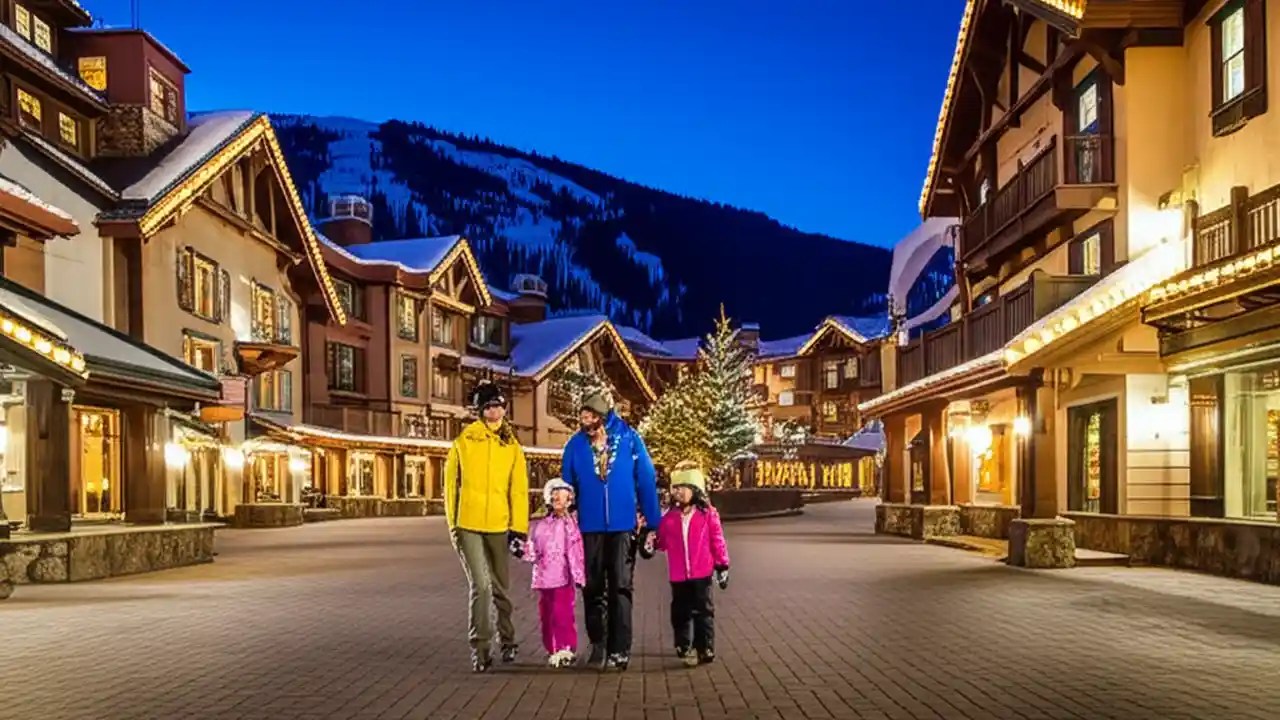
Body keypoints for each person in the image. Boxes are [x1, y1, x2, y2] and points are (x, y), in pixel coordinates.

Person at [561, 390, 661, 671]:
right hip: (588, 527)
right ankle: (599, 644)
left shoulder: (629, 440)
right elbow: (566, 485)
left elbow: (646, 479)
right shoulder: (575, 445)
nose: (585, 421)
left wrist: (652, 523)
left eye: (590, 416)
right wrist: (563, 515)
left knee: (620, 587)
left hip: (621, 526)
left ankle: (620, 648)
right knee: (592, 587)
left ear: (603, 416)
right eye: (582, 416)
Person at [444, 380, 530, 672]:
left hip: (498, 524)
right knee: (480, 585)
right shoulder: (464, 442)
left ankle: (508, 641)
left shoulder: (512, 447)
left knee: (501, 588)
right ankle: (480, 647)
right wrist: (453, 525)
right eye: (490, 406)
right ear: (481, 410)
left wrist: (519, 528)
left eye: (500, 406)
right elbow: (450, 488)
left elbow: (518, 489)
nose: (496, 411)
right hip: (467, 524)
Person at [652, 461, 730, 667]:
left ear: (695, 490)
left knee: (703, 611)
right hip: (678, 575)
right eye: (675, 488)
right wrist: (650, 542)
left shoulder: (708, 515)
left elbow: (717, 540)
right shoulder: (669, 518)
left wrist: (722, 565)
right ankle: (683, 644)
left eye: (682, 488)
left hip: (701, 572)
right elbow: (661, 542)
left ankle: (705, 646)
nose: (677, 493)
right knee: (680, 611)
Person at [521, 478, 586, 668]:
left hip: (565, 578)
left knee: (563, 613)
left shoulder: (573, 523)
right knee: (547, 615)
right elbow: (533, 551)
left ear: (570, 498)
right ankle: (552, 648)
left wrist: (579, 574)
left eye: (562, 494)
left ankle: (565, 647)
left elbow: (577, 551)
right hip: (544, 578)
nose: (558, 497)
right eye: (554, 494)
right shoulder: (540, 525)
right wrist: (521, 550)